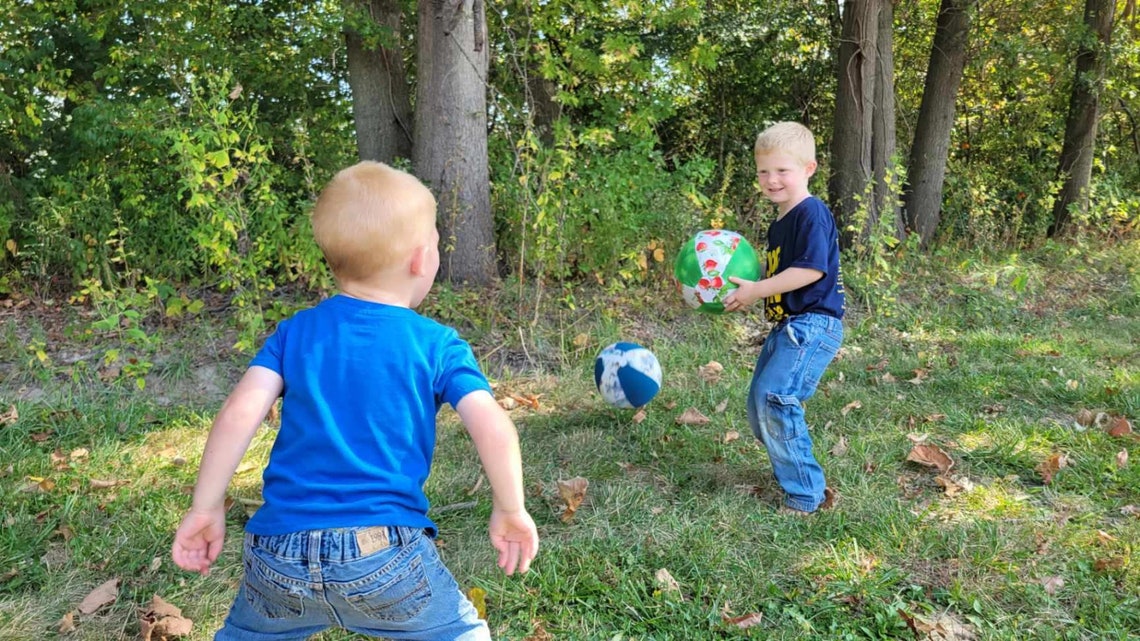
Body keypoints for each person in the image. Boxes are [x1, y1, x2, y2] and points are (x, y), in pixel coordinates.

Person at [171, 161, 539, 640]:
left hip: (277, 551)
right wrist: (510, 508)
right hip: (385, 552)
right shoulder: (437, 343)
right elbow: (491, 424)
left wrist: (205, 506)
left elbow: (239, 412)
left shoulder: (295, 332)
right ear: (420, 259)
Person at [723, 121, 846, 515]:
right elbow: (781, 276)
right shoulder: (780, 223)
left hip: (812, 325)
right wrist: (750, 290)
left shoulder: (811, 213)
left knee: (775, 401)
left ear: (809, 168)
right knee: (759, 408)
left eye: (782, 170)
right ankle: (791, 465)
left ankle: (806, 493)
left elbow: (811, 272)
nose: (771, 180)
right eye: (763, 171)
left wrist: (759, 289)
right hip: (788, 327)